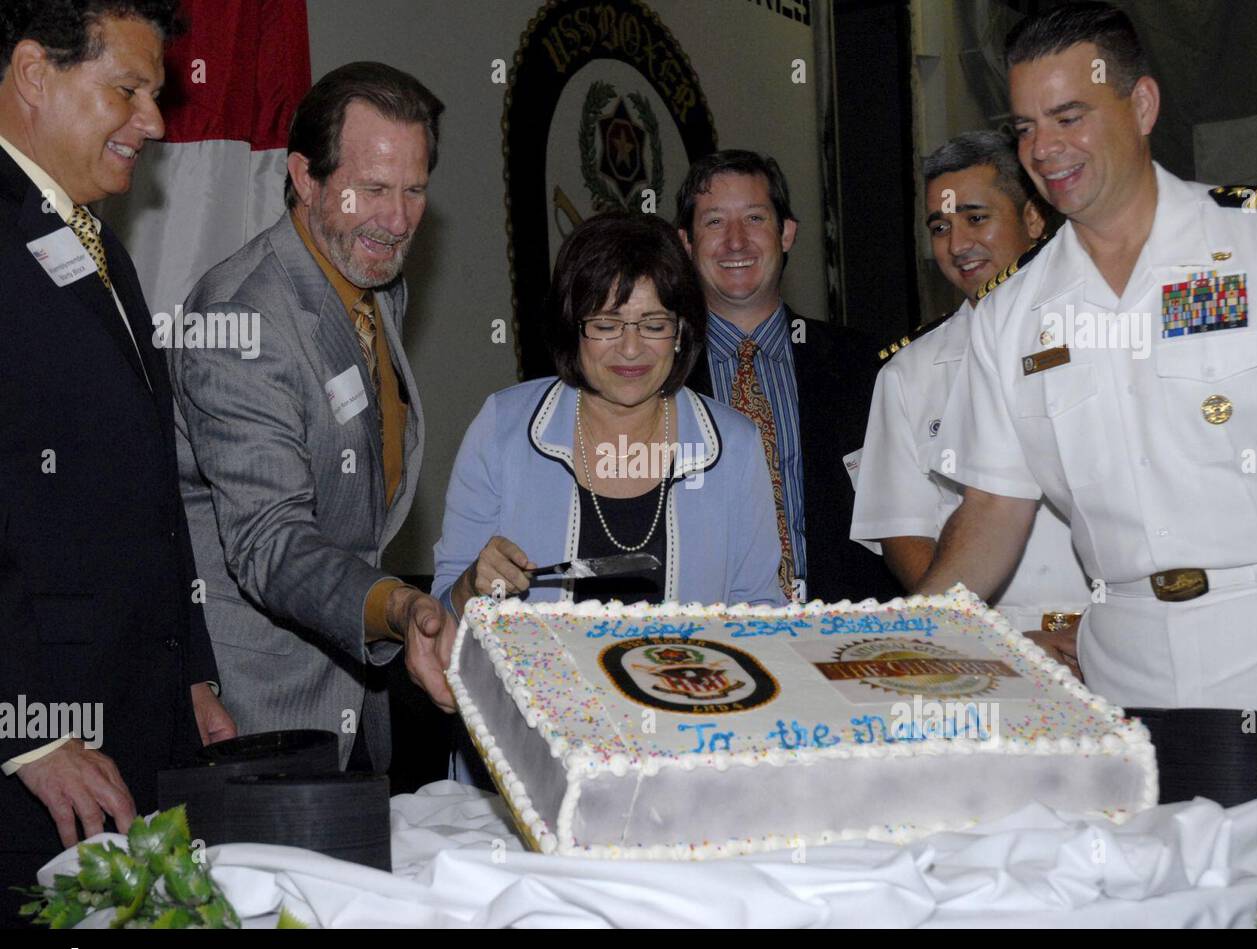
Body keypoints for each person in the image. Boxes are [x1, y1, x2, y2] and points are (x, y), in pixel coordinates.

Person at [917, 1, 1257, 714]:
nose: (1044, 149)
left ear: (1143, 104)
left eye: (1070, 117)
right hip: (1124, 673)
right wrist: (906, 640)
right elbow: (995, 510)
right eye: (1026, 128)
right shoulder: (1011, 315)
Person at [0, 0, 231, 926]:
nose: (156, 122)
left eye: (159, 94)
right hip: (37, 765)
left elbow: (146, 495)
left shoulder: (95, 246)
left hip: (136, 727)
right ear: (31, 75)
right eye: (127, 90)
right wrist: (21, 736)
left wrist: (194, 672)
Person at [168, 62, 456, 775]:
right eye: (374, 190)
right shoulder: (241, 314)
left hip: (358, 708)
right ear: (304, 177)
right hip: (257, 719)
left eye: (414, 190)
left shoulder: (375, 286)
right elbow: (269, 541)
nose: (396, 220)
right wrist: (394, 606)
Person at [434, 211, 781, 617]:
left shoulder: (732, 445)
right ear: (572, 326)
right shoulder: (503, 428)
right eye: (606, 325)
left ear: (681, 332)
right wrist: (470, 587)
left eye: (653, 326)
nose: (631, 349)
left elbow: (759, 611)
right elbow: (442, 614)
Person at [853, 131, 1092, 670]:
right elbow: (901, 529)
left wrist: (1112, 623)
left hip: (1116, 632)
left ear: (1033, 218)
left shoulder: (1104, 332)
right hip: (990, 643)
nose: (957, 243)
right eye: (940, 226)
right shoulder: (908, 371)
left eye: (976, 218)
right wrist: (984, 637)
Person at [676, 150, 902, 606]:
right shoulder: (654, 376)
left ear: (787, 233)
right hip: (703, 640)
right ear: (686, 243)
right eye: (715, 222)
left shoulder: (867, 367)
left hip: (846, 636)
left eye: (755, 218)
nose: (735, 242)